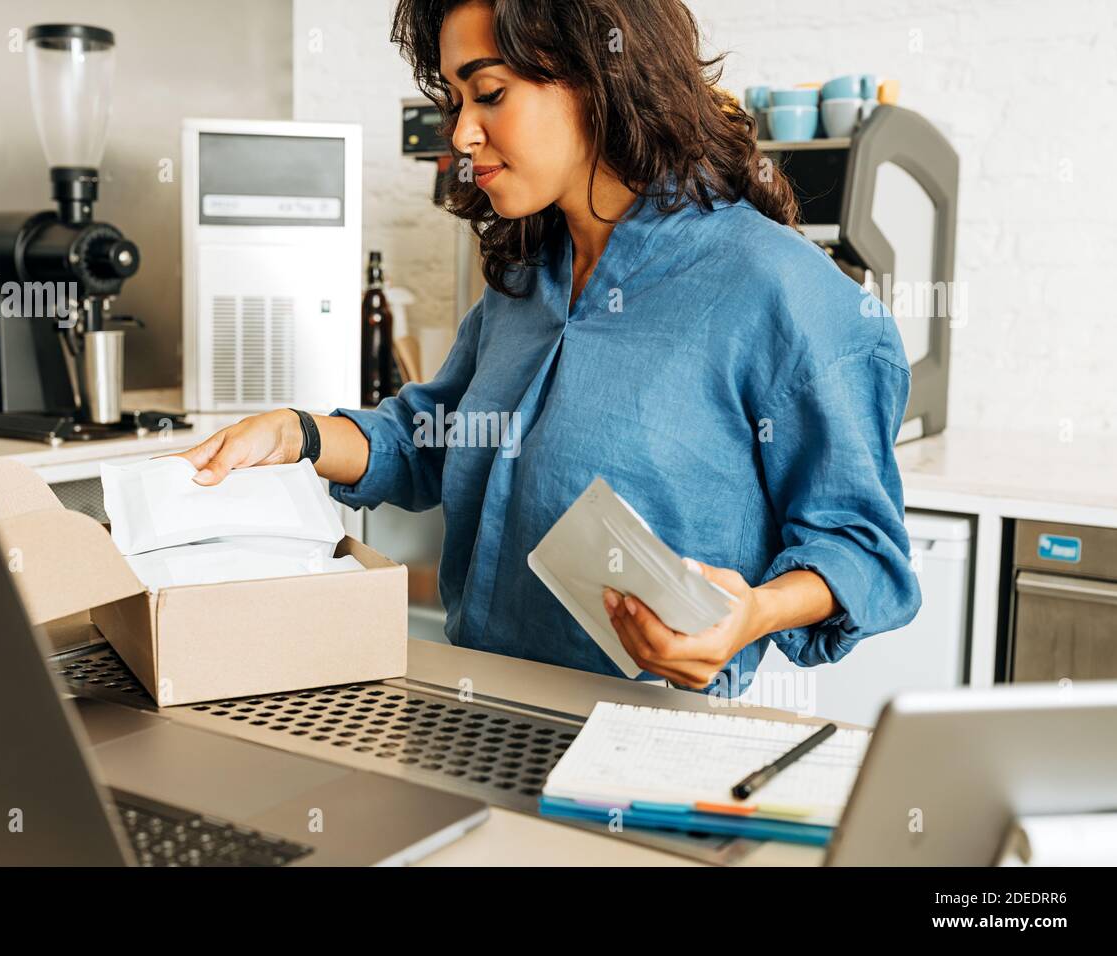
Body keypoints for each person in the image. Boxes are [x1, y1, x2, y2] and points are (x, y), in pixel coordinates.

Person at [178, 0, 920, 695]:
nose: (463, 134)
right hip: (487, 717)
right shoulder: (526, 277)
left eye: (490, 93)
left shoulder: (780, 290)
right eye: (456, 101)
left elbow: (862, 550)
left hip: (657, 746)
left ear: (600, 79)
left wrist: (751, 614)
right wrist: (297, 434)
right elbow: (428, 440)